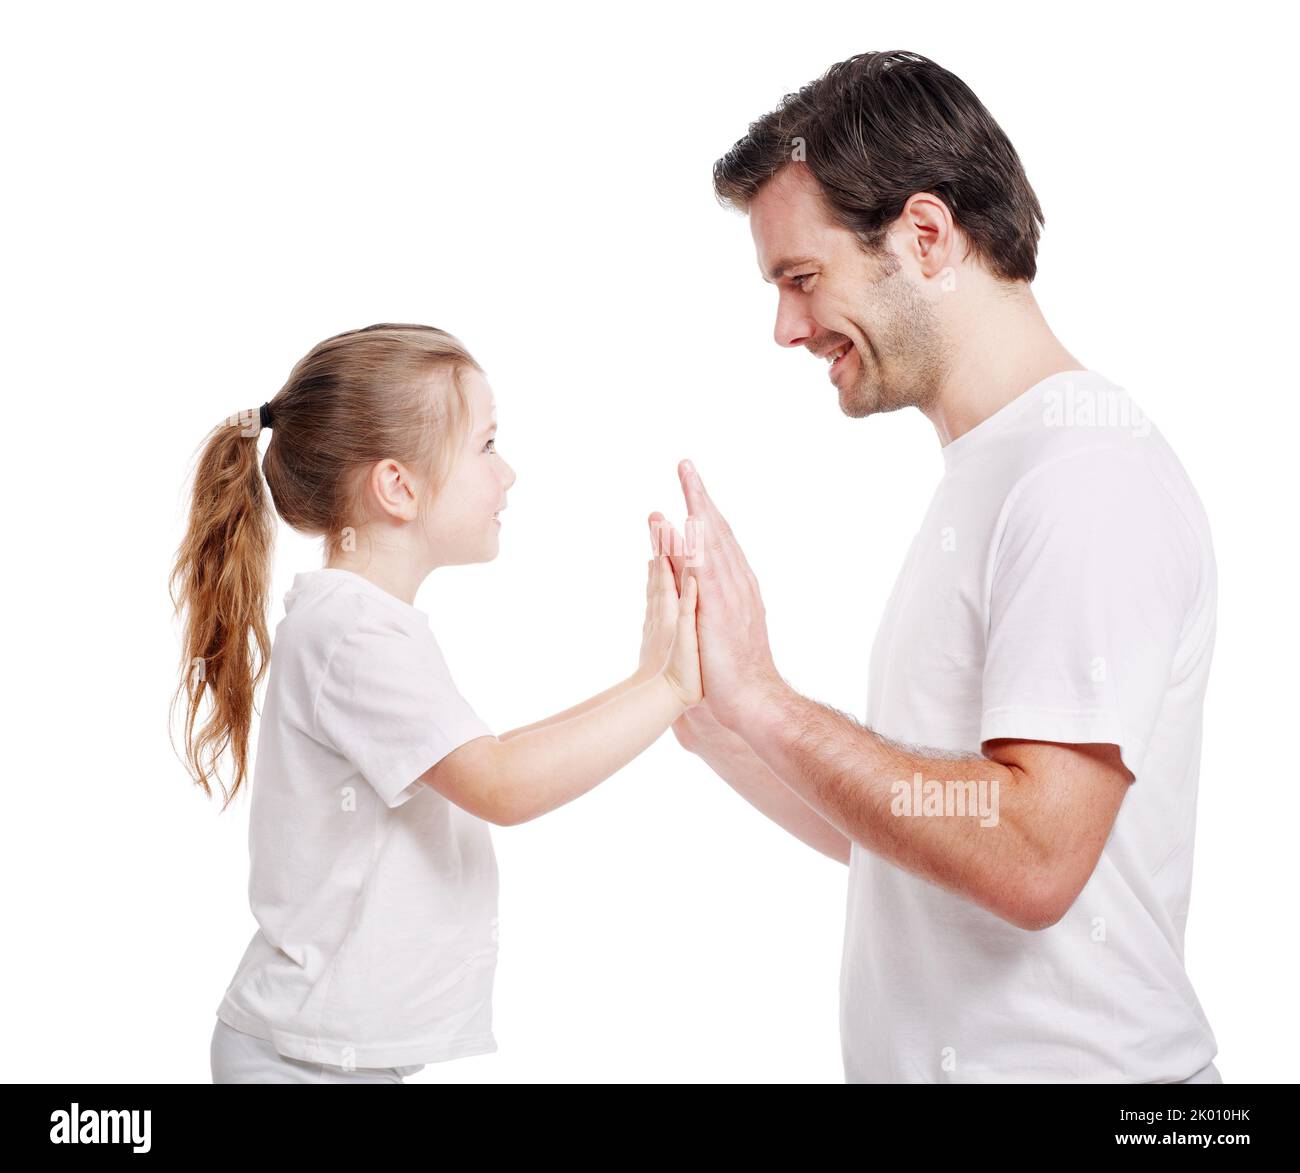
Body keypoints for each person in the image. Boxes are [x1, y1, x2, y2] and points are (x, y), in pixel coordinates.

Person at [655, 49, 1222, 1083]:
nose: (785, 328)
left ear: (924, 235)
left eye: (801, 278)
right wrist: (715, 722)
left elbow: (1032, 855)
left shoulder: (1083, 477)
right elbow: (922, 851)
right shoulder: (1000, 469)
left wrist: (774, 703)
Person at [170, 322, 701, 1083]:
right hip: (301, 1062)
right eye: (487, 445)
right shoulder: (352, 634)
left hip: (331, 1054)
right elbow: (502, 783)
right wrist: (673, 691)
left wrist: (648, 679)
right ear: (397, 486)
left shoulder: (361, 623)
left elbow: (480, 757)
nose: (508, 473)